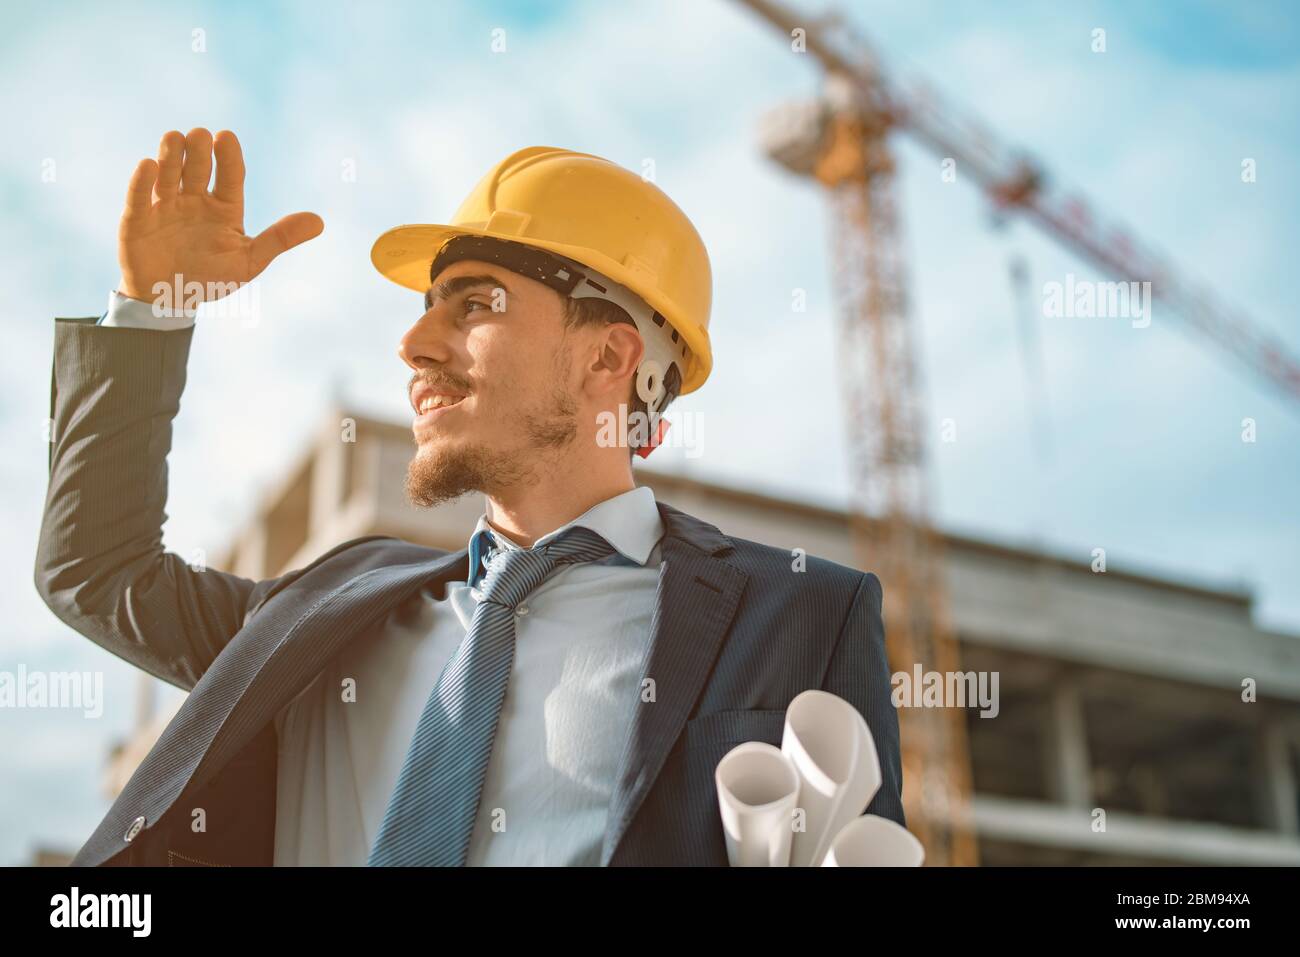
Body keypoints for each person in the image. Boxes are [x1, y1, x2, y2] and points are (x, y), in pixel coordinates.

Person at [34, 128, 903, 866]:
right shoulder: (331, 614)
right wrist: (155, 309)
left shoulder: (801, 614)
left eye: (474, 304)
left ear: (608, 358)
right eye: (424, 307)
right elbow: (97, 571)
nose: (413, 343)